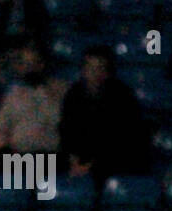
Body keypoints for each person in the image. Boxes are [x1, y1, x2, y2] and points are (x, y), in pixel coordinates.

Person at [58, 44, 152, 187]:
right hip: (80, 157)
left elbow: (121, 139)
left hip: (114, 158)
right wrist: (73, 159)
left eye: (100, 68)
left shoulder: (122, 96)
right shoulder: (74, 94)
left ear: (108, 72)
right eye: (90, 68)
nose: (95, 74)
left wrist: (91, 165)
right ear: (83, 71)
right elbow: (67, 130)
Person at [0, 44, 66, 154]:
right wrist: (4, 149)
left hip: (51, 156)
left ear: (43, 64)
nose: (30, 67)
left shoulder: (60, 92)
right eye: (26, 63)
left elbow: (61, 124)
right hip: (19, 156)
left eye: (35, 63)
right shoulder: (12, 96)